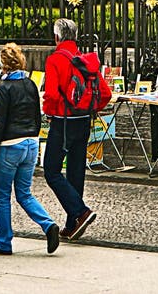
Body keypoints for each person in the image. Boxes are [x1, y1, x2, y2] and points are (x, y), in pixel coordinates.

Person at [0, 43, 60, 256]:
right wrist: (34, 136)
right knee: (24, 193)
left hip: (10, 144)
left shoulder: (5, 87)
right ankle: (48, 224)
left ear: (3, 64)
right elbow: (37, 115)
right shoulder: (30, 84)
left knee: (2, 196)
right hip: (30, 142)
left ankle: (4, 242)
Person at [42, 18, 111, 241]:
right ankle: (73, 224)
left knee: (51, 170)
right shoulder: (85, 60)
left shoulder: (55, 59)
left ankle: (80, 212)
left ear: (56, 37)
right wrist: (90, 108)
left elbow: (51, 94)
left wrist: (48, 111)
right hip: (83, 120)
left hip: (63, 120)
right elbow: (106, 93)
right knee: (76, 170)